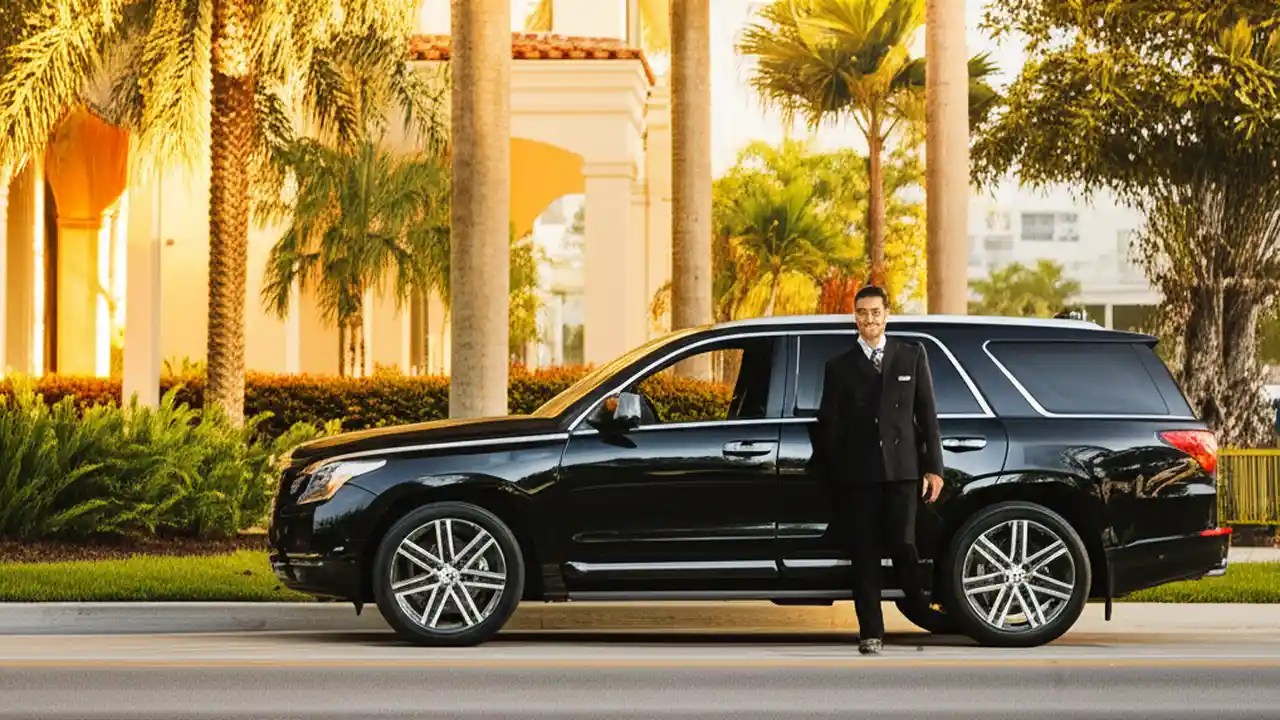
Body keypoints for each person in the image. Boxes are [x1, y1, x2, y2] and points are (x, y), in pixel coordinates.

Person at [815, 285, 944, 655]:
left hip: (903, 471)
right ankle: (870, 631)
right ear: (854, 317)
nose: (868, 319)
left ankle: (922, 609)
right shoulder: (838, 366)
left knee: (904, 544)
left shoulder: (911, 356)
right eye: (861, 312)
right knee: (865, 553)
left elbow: (927, 416)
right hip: (859, 477)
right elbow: (830, 425)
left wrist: (933, 467)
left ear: (887, 313)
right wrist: (838, 470)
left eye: (874, 312)